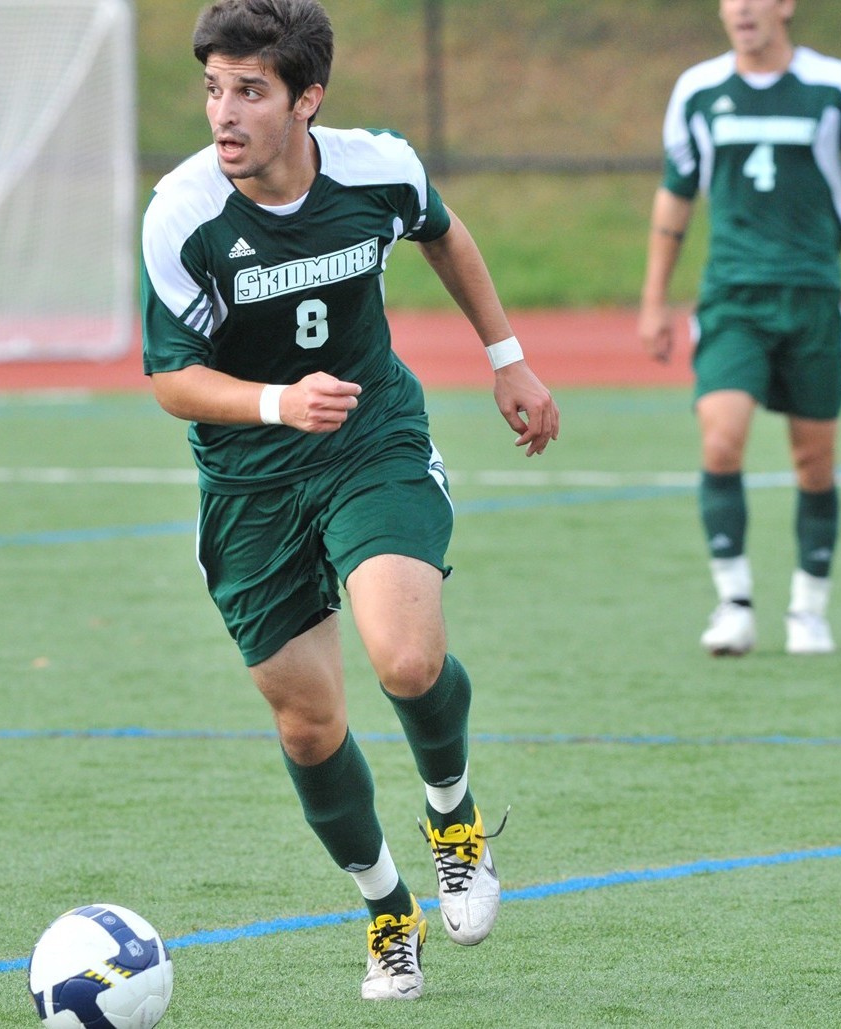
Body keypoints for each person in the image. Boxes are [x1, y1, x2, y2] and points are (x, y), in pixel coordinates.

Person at [140, 0, 559, 1002]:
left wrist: (507, 359)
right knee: (307, 726)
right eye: (213, 89)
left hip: (371, 441)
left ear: (307, 99)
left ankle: (454, 818)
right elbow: (171, 379)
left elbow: (444, 235)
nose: (224, 113)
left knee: (405, 659)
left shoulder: (378, 168)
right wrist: (277, 402)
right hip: (249, 483)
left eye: (251, 91)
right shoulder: (182, 215)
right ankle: (386, 910)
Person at [638, 0, 841, 657]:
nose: (742, 8)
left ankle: (808, 609)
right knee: (720, 440)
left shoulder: (832, 84)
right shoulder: (698, 90)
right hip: (732, 297)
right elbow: (676, 191)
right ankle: (733, 604)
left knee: (813, 462)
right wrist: (654, 299)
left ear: (785, 5)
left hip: (812, 297)